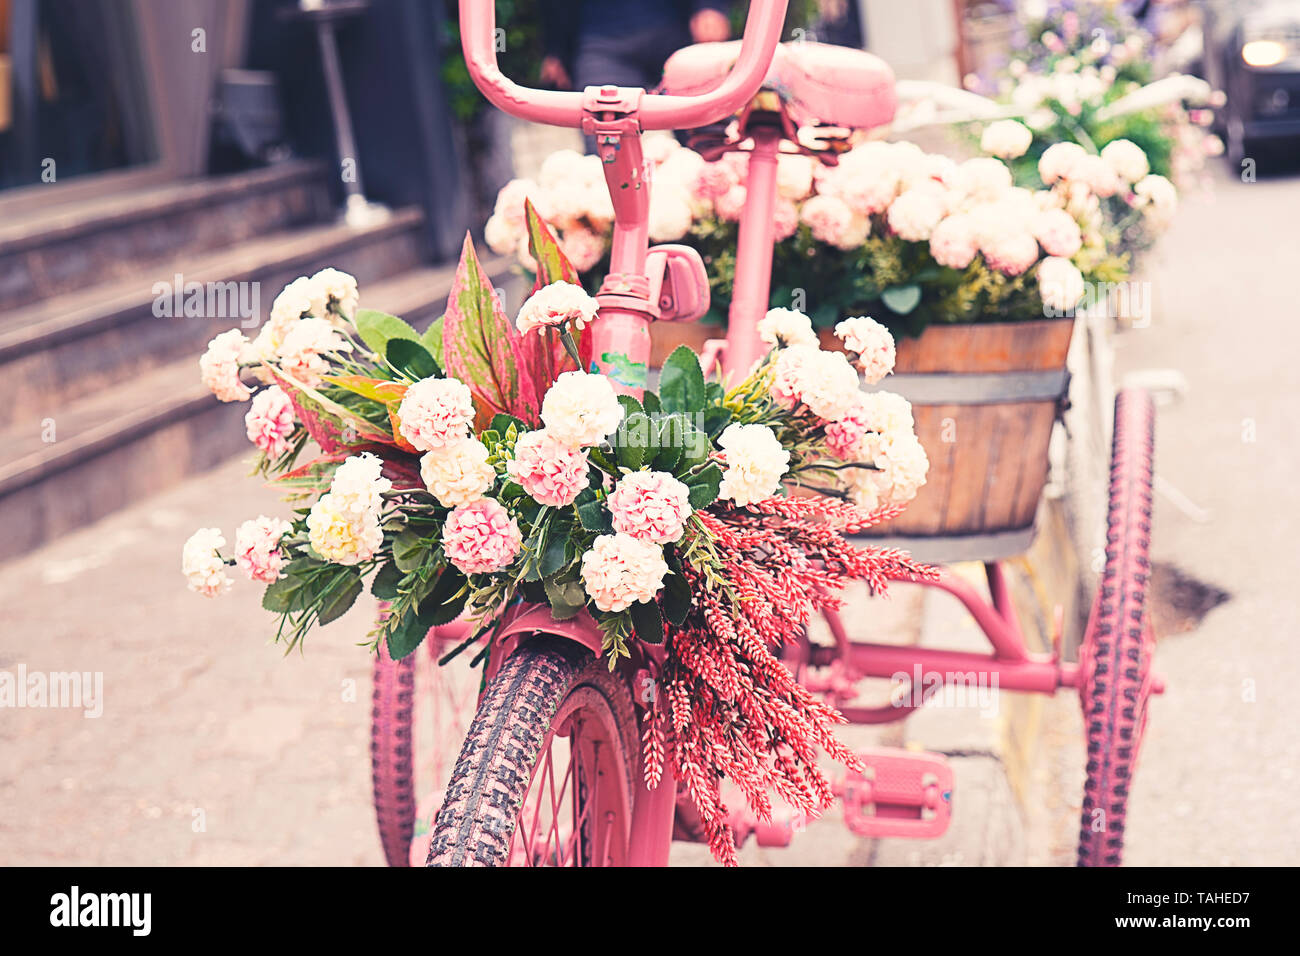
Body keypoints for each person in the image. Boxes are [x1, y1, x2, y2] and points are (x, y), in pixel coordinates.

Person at [538, 0, 731, 96]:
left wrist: (711, 5)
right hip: (600, 45)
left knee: (711, 147)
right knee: (606, 150)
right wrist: (556, 50)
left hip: (678, 34)